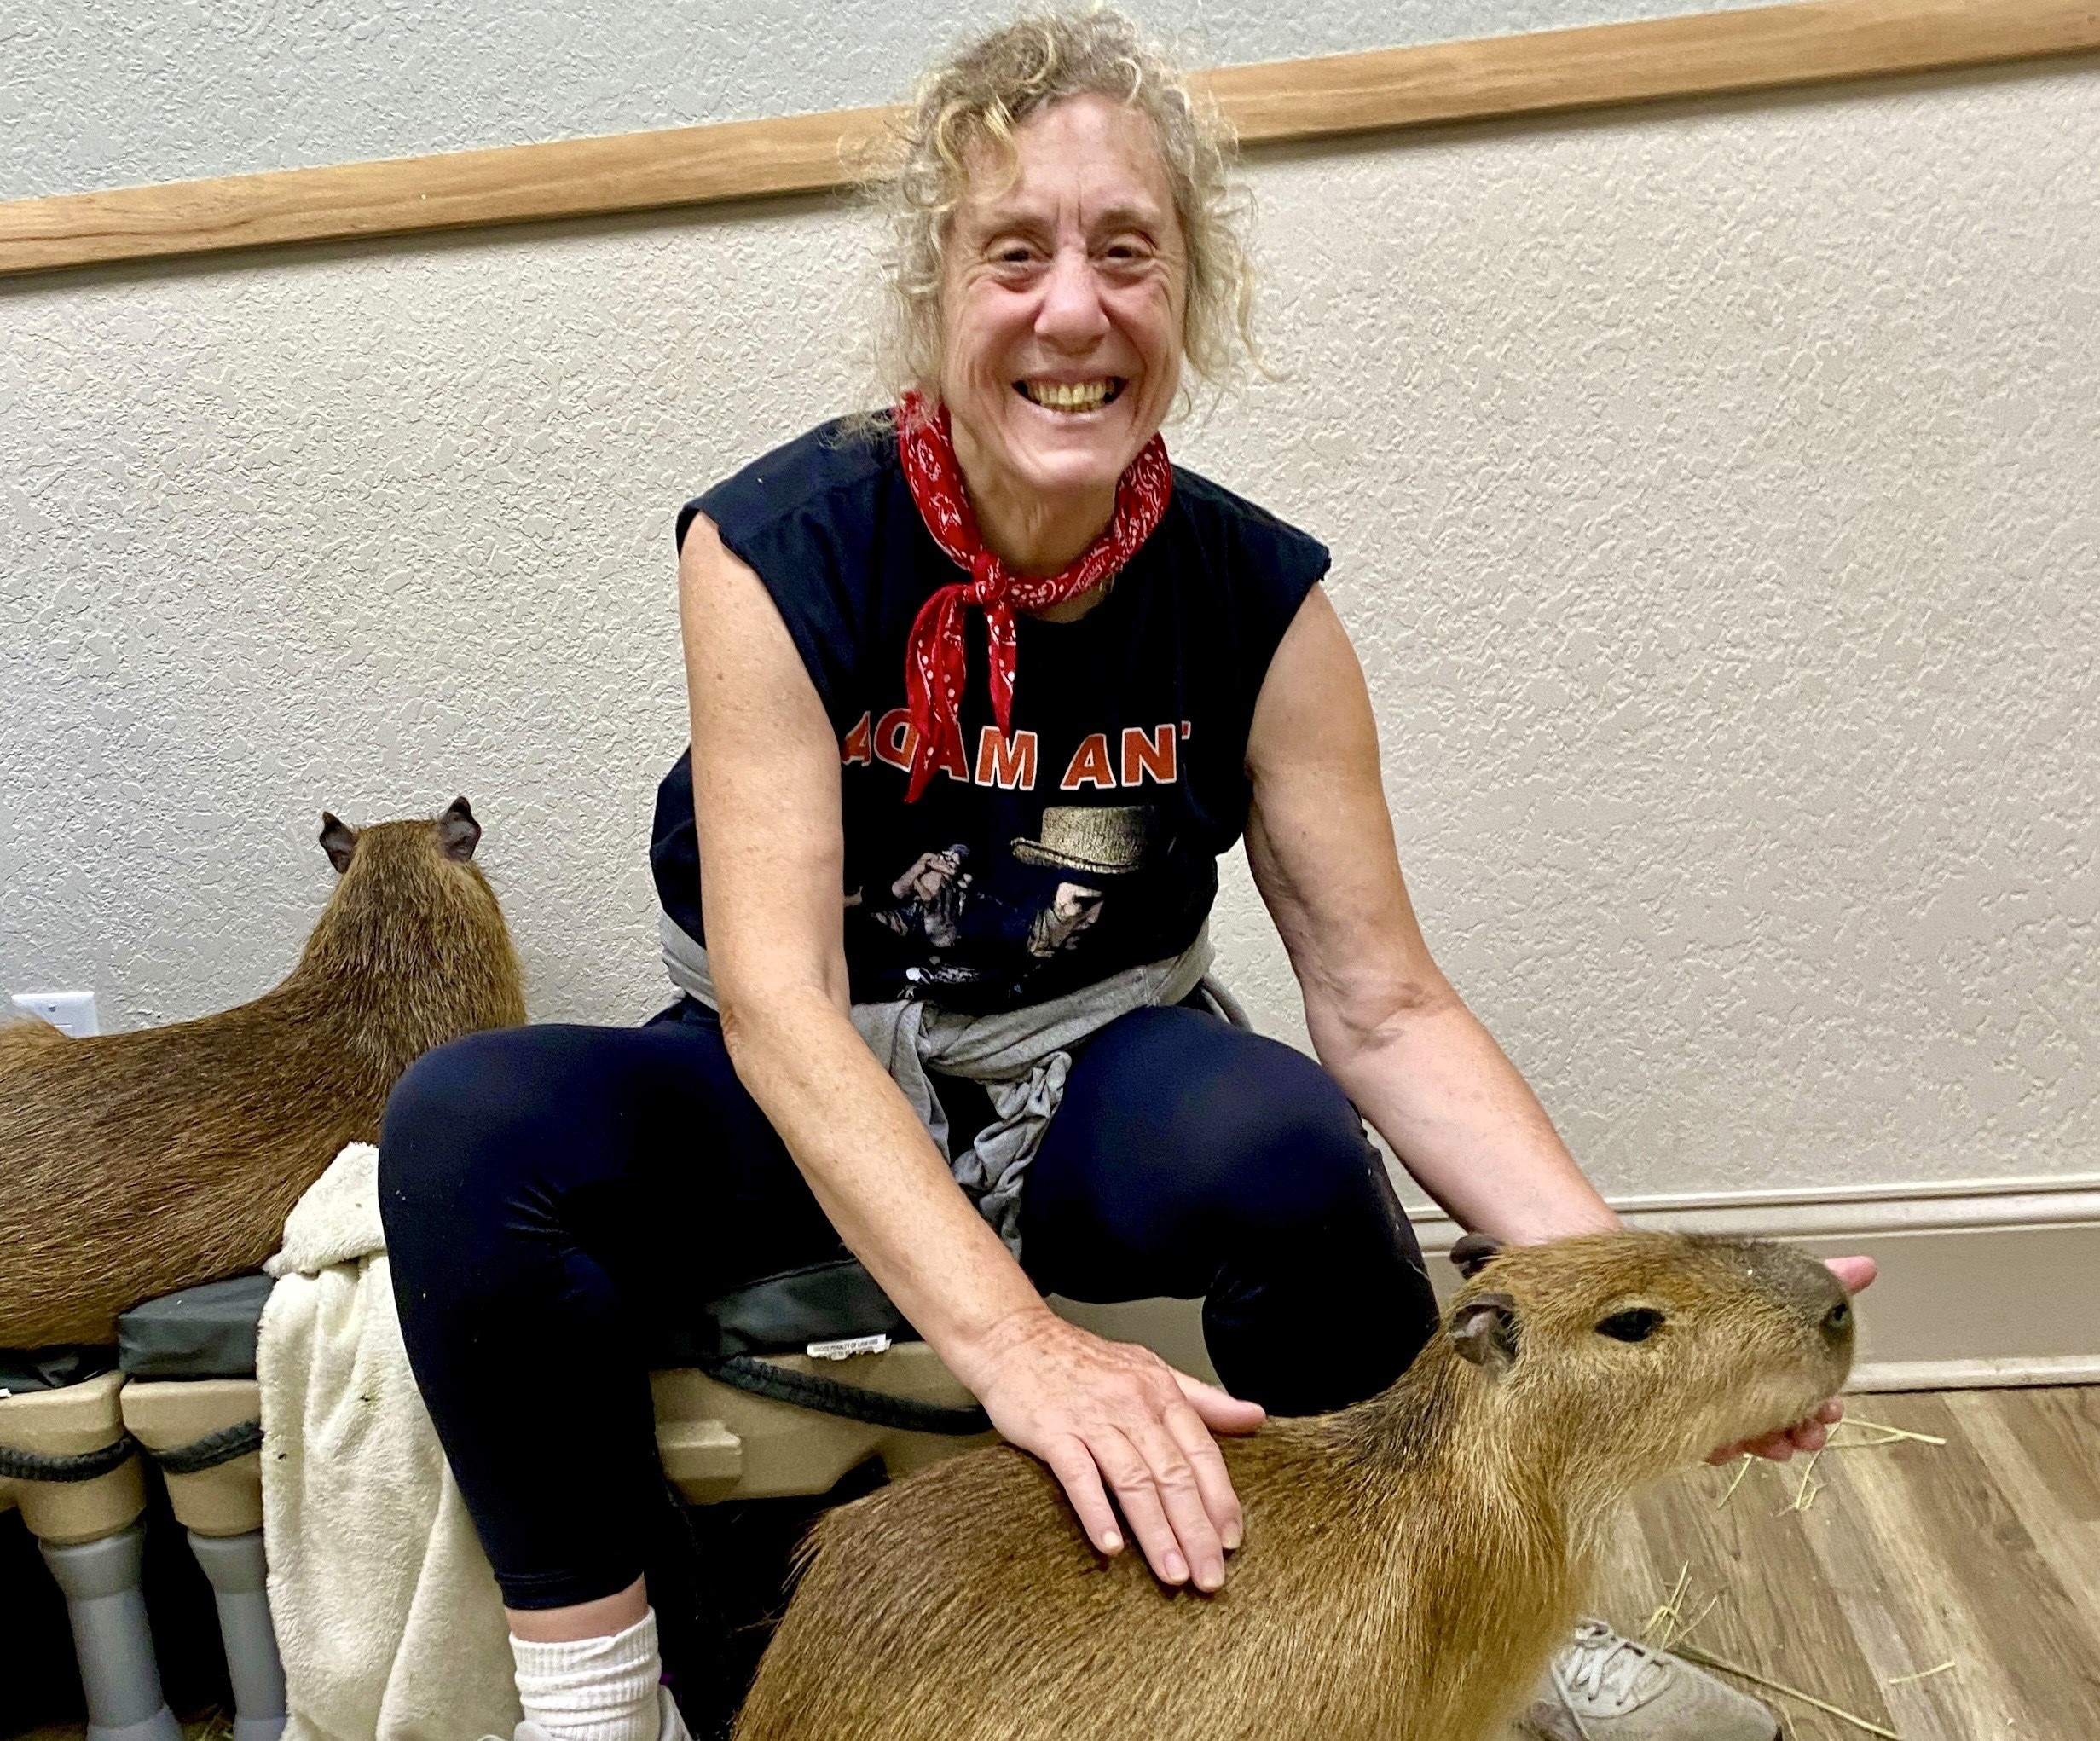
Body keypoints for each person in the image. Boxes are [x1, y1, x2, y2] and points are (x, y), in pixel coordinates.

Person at [379, 12, 1874, 1741]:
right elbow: (780, 1011)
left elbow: (1380, 1001)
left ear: (1187, 296)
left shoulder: (1261, 602)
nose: (1070, 309)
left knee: (1284, 1134)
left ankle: (1490, 1636)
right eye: (1012, 253)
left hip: (1077, 1077)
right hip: (787, 1086)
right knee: (464, 1126)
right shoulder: (770, 549)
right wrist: (1021, 1349)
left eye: (1125, 254)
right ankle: (597, 1702)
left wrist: (1653, 1307)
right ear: (935, 289)